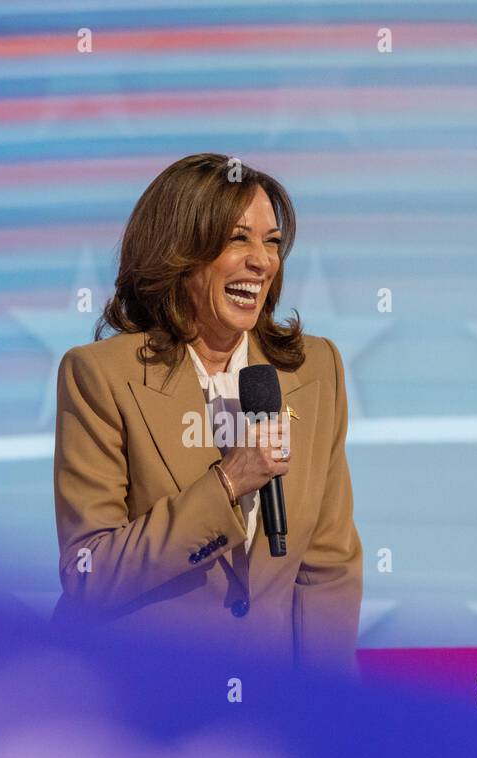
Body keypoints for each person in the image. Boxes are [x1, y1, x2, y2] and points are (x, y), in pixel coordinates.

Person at [51, 153, 362, 673]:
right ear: (178, 253)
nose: (261, 261)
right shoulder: (99, 376)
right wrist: (226, 484)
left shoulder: (314, 371)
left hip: (264, 711)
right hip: (139, 701)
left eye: (272, 242)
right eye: (238, 239)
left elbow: (327, 569)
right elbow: (90, 572)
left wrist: (324, 713)